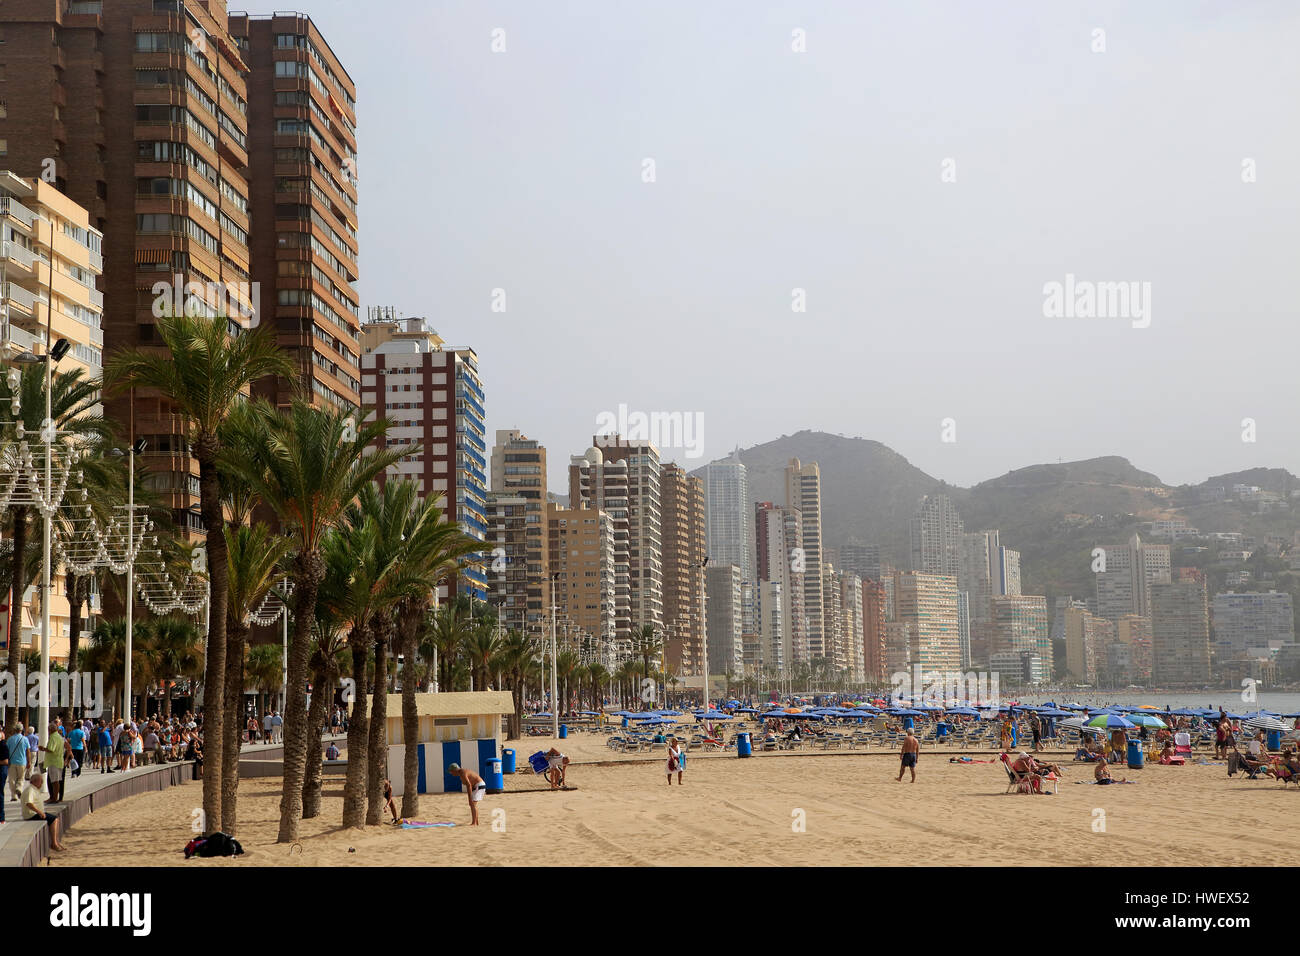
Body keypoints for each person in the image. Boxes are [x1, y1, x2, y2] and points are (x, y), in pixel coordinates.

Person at [21, 772, 64, 851]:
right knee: (54, 819)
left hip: (36, 813)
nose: (42, 784)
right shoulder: (30, 789)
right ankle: (54, 843)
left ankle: (56, 842)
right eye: (41, 782)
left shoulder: (34, 789)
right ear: (35, 781)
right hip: (32, 814)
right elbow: (28, 803)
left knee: (55, 818)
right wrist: (39, 812)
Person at [40, 722, 65, 803]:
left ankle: (54, 798)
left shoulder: (53, 737)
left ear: (50, 729)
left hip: (54, 762)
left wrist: (43, 748)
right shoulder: (59, 737)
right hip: (57, 761)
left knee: (54, 781)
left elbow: (51, 749)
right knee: (55, 781)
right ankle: (54, 797)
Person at [6, 725, 28, 800]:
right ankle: (19, 788)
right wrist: (29, 762)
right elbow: (28, 751)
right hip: (22, 761)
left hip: (12, 761)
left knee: (12, 779)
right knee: (21, 778)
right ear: (22, 730)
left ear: (15, 730)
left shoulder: (10, 739)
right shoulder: (25, 739)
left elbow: (7, 751)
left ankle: (13, 796)